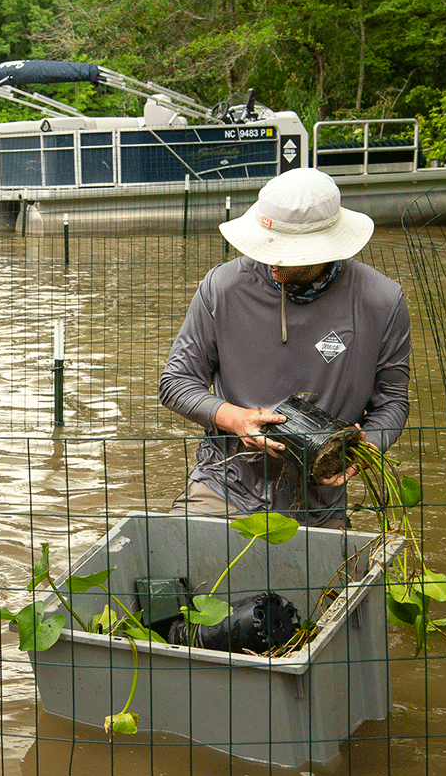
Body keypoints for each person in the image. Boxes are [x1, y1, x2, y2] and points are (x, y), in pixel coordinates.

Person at [157, 167, 411, 528]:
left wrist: (365, 448)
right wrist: (236, 419)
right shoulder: (223, 288)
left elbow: (393, 402)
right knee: (177, 571)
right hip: (225, 486)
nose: (272, 259)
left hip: (318, 501)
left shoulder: (381, 301)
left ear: (327, 247)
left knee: (330, 584)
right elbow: (176, 382)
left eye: (288, 252)